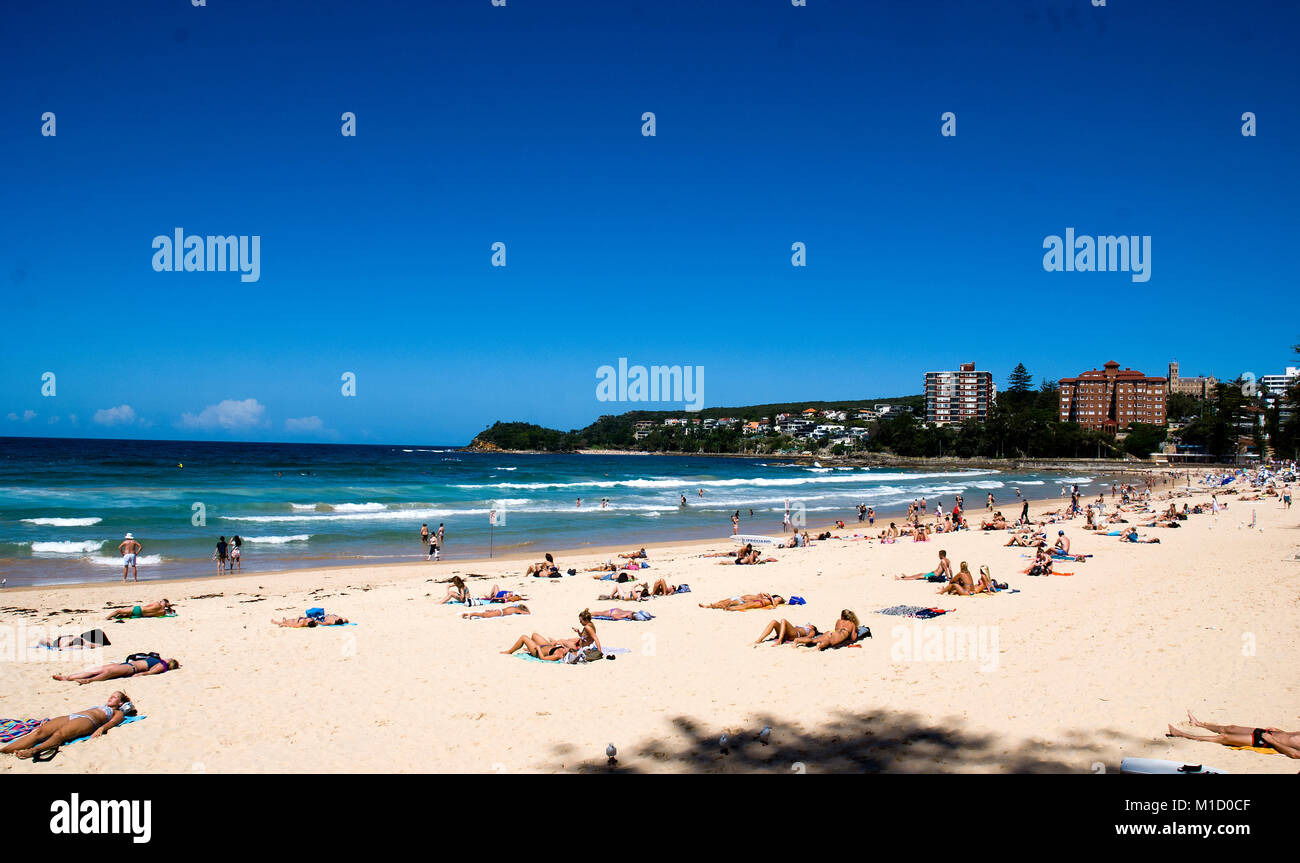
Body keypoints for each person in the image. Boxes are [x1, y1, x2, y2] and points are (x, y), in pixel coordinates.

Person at [1, 691, 136, 759]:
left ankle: (34, 750)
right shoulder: (102, 706)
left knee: (59, 734)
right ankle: (4, 750)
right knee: (39, 732)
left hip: (88, 720)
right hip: (72, 716)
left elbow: (113, 722)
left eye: (114, 697)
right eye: (111, 695)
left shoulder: (117, 712)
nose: (110, 698)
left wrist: (100, 729)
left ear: (120, 703)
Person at [1166, 711, 1300, 758]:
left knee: (1224, 738)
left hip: (1266, 741)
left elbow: (1294, 754)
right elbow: (1291, 737)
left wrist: (1273, 741)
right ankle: (1199, 724)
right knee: (1231, 728)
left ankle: (1181, 734)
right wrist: (1280, 731)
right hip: (1271, 734)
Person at [52, 654, 179, 683]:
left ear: (170, 662)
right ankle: (67, 677)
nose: (168, 658)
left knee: (106, 672)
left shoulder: (162, 665)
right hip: (125, 664)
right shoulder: (159, 660)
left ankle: (89, 681)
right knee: (97, 669)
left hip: (132, 669)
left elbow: (151, 672)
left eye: (170, 659)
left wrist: (142, 675)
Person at [791, 610, 864, 651]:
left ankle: (797, 640)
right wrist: (855, 631)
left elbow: (836, 630)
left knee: (813, 640)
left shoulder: (838, 621)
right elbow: (853, 638)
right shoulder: (852, 624)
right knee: (827, 643)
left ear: (842, 616)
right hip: (836, 636)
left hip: (830, 632)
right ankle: (818, 647)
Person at [753, 619, 818, 645]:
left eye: (810, 625)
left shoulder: (812, 631)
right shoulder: (802, 626)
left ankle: (779, 641)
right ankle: (759, 640)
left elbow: (808, 638)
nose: (808, 624)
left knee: (783, 620)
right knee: (774, 622)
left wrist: (798, 640)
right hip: (787, 633)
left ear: (813, 627)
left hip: (795, 634)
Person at [698, 593, 784, 612]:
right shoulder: (766, 597)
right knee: (726, 600)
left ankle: (729, 608)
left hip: (754, 602)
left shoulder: (773, 600)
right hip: (745, 599)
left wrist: (771, 598)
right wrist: (762, 595)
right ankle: (709, 606)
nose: (778, 599)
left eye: (779, 599)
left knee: (740, 604)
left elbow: (775, 605)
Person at [105, 599, 173, 620]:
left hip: (139, 610)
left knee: (118, 611)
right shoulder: (163, 612)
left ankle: (106, 618)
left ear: (163, 601)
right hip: (141, 615)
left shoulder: (157, 603)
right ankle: (116, 617)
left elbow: (146, 606)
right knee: (124, 615)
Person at [272, 613, 349, 627]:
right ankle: (282, 622)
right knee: (290, 621)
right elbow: (347, 620)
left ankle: (280, 622)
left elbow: (292, 625)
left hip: (298, 620)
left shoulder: (302, 623)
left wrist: (284, 624)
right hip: (299, 619)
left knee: (289, 621)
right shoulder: (340, 619)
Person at [463, 605, 530, 619]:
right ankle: (471, 614)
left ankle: (468, 614)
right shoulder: (517, 610)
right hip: (500, 613)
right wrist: (527, 610)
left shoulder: (512, 607)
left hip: (499, 610)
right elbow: (528, 613)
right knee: (484, 615)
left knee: (485, 614)